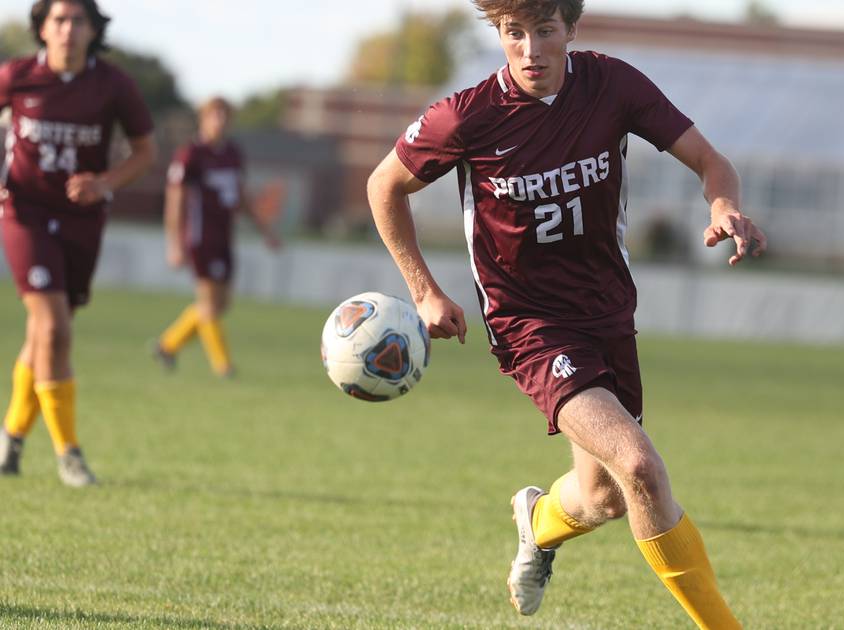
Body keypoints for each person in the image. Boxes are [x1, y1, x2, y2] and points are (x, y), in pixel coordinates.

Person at [367, 1, 765, 627]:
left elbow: (713, 163)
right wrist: (424, 291)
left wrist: (724, 205)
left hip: (608, 313)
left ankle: (538, 522)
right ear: (498, 35)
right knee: (640, 467)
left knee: (605, 494)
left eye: (545, 31)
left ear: (571, 30)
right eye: (514, 34)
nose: (530, 51)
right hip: (530, 324)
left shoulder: (612, 85)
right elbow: (383, 186)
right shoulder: (467, 116)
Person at [0, 0, 156, 487]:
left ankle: (10, 441)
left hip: (81, 220)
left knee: (42, 335)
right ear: (42, 29)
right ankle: (69, 453)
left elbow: (145, 151)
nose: (68, 29)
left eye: (78, 20)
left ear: (93, 30)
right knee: (53, 329)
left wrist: (104, 183)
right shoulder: (17, 76)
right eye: (59, 20)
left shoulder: (114, 85)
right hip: (24, 213)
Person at [151, 97, 280, 377]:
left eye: (224, 115)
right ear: (203, 118)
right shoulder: (191, 155)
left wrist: (265, 231)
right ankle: (223, 366)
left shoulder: (232, 153)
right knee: (209, 303)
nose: (219, 120)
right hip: (200, 237)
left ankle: (168, 345)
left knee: (221, 304)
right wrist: (174, 243)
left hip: (224, 236)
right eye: (214, 115)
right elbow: (176, 201)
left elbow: (242, 196)